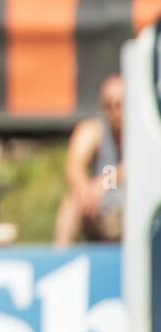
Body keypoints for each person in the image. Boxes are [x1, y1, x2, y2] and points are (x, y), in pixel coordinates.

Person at [54, 74, 125, 244]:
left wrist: (101, 186)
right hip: (97, 206)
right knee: (72, 200)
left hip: (129, 204)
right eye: (109, 105)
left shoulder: (144, 131)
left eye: (120, 105)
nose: (115, 112)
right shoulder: (93, 130)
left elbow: (132, 166)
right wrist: (84, 191)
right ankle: (58, 259)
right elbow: (73, 165)